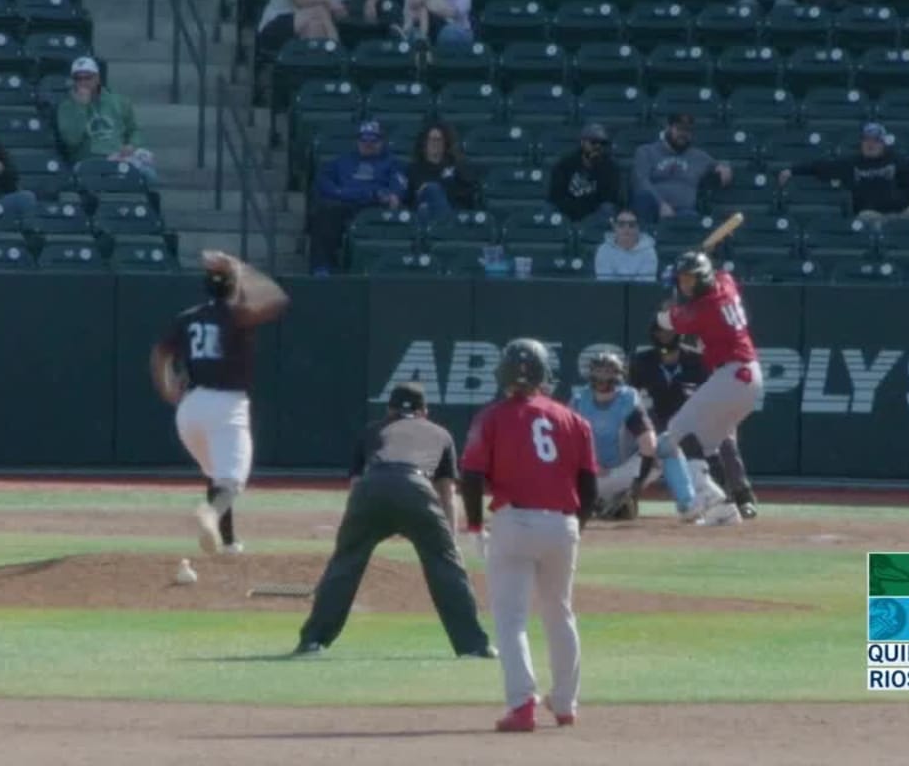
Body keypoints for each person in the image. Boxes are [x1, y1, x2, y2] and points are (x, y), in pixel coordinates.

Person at [293, 382, 495, 659]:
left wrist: (351, 534)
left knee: (344, 564)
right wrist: (449, 542)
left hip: (371, 488)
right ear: (425, 411)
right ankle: (473, 646)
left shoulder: (372, 430)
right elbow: (447, 491)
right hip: (417, 489)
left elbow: (356, 486)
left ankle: (312, 642)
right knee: (446, 568)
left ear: (389, 410)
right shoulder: (441, 433)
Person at [460, 338, 597, 732]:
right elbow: (588, 486)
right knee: (560, 613)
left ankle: (522, 705)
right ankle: (566, 703)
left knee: (510, 618)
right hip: (562, 522)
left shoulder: (491, 417)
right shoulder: (573, 419)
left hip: (513, 521)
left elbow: (471, 475)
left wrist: (473, 525)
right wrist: (576, 527)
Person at [150, 250, 290, 555]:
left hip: (190, 409)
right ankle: (209, 514)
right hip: (226, 405)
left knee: (217, 476)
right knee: (232, 478)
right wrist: (240, 268)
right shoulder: (237, 314)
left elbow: (160, 353)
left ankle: (227, 542)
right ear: (232, 287)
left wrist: (167, 386)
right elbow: (277, 299)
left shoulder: (188, 318)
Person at [653, 251, 765, 524]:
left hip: (732, 377)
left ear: (703, 278)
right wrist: (688, 269)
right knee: (703, 445)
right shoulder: (724, 281)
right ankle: (722, 508)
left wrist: (671, 301)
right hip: (748, 378)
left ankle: (707, 500)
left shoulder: (705, 309)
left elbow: (664, 322)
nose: (686, 284)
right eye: (683, 279)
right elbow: (718, 276)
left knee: (671, 438)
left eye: (690, 279)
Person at [568, 352, 705, 523]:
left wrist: (635, 488)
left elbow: (649, 445)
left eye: (607, 372)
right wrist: (590, 467)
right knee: (666, 446)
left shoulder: (627, 399)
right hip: (592, 478)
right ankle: (596, 502)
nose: (603, 377)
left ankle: (688, 505)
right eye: (599, 372)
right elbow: (567, 446)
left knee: (667, 444)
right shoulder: (579, 401)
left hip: (622, 471)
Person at [628, 321, 740, 520]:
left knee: (723, 438)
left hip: (694, 421)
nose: (665, 337)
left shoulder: (699, 361)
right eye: (661, 333)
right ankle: (706, 499)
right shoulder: (641, 362)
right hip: (656, 424)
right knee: (661, 448)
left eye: (669, 332)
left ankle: (735, 495)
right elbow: (629, 401)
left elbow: (715, 397)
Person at [778, 122, 909, 220]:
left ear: (883, 143)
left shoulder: (898, 161)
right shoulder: (851, 163)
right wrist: (792, 171)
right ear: (861, 143)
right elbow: (821, 167)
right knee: (866, 218)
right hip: (873, 215)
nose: (871, 144)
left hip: (901, 214)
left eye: (875, 141)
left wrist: (906, 202)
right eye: (867, 140)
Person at [307, 120, 407, 275]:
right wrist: (361, 193)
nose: (368, 143)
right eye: (364, 139)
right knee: (325, 212)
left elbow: (396, 190)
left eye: (373, 140)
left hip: (374, 209)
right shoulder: (343, 161)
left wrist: (387, 195)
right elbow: (322, 181)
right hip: (345, 206)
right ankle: (322, 268)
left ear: (382, 142)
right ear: (357, 141)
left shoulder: (392, 163)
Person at [56, 57, 156, 183]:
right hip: (88, 160)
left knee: (148, 174)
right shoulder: (66, 107)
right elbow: (71, 140)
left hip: (119, 156)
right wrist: (81, 107)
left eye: (88, 77)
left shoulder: (119, 101)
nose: (83, 82)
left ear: (97, 78)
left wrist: (131, 145)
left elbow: (134, 130)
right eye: (78, 78)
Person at [631, 114, 734, 224]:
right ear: (668, 128)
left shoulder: (698, 156)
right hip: (652, 208)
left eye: (688, 130)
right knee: (643, 199)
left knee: (691, 218)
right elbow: (641, 181)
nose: (683, 134)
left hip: (684, 211)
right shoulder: (646, 151)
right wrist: (661, 204)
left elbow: (719, 165)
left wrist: (725, 168)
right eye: (679, 129)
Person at [405, 121, 479, 221]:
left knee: (432, 190)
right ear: (424, 143)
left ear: (445, 143)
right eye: (431, 140)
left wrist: (443, 187)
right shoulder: (413, 170)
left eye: (438, 140)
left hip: (454, 216)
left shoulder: (457, 167)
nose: (434, 143)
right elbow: (408, 201)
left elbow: (468, 195)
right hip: (422, 217)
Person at [548, 123, 621, 224]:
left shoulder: (610, 167)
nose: (598, 146)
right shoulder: (565, 165)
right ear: (582, 142)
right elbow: (556, 196)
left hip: (596, 212)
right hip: (567, 210)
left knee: (607, 209)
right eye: (593, 142)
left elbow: (610, 198)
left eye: (602, 143)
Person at [593, 210, 658, 282]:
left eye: (632, 225)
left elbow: (646, 284)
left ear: (638, 228)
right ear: (614, 227)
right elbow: (605, 283)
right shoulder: (603, 250)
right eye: (621, 224)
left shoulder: (649, 252)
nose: (626, 229)